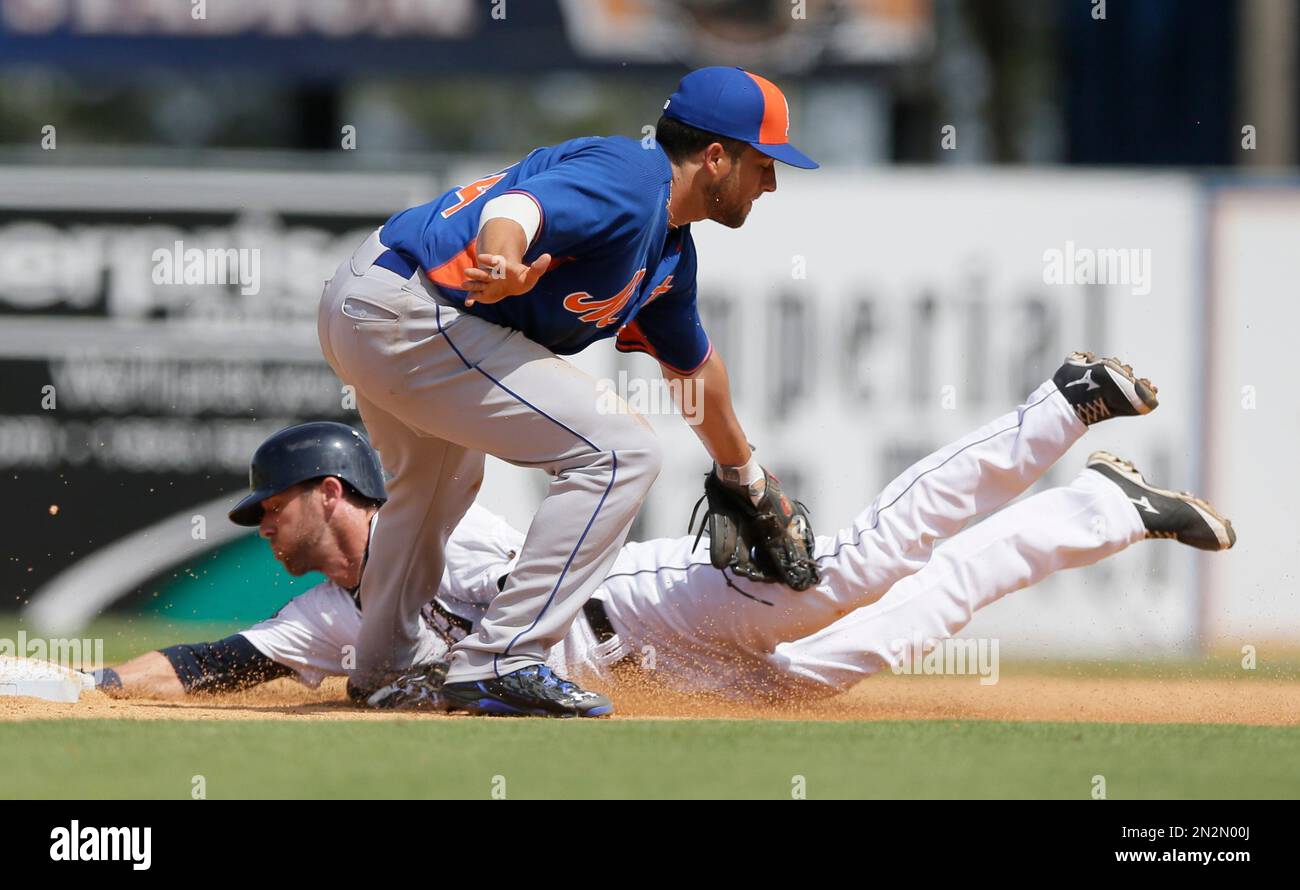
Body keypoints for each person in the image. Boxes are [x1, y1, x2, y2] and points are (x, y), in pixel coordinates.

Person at [90, 353, 1236, 707]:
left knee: (845, 572)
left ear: (330, 490)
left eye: (271, 500)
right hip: (664, 671)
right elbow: (211, 664)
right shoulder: (317, 615)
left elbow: (487, 618)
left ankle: (1061, 402)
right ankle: (1100, 508)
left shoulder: (439, 525)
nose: (261, 520)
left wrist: (386, 684)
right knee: (878, 637)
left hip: (644, 598)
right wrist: (90, 689)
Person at [316, 66, 819, 716]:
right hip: (413, 308)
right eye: (764, 162)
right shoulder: (634, 181)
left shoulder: (668, 250)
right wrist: (503, 258)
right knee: (622, 451)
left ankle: (384, 668)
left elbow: (695, 374)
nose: (772, 181)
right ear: (717, 157)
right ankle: (504, 659)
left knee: (440, 480)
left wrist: (743, 475)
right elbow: (516, 208)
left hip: (371, 302)